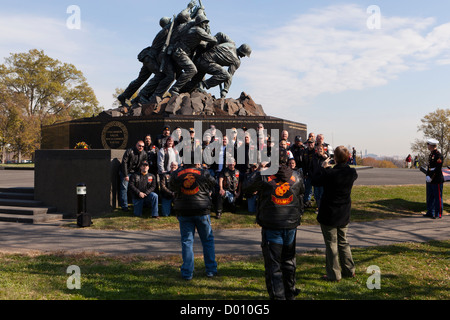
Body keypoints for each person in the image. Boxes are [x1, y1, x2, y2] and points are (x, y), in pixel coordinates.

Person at [243, 148, 305, 300]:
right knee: (289, 261)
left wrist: (259, 170)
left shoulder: (264, 175)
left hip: (272, 224)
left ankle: (279, 296)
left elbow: (246, 187)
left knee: (274, 265)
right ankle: (290, 292)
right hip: (290, 224)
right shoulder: (296, 176)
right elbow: (301, 193)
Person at [312, 146, 357, 282]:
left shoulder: (330, 173)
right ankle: (349, 270)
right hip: (343, 212)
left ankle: (334, 274)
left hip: (329, 212)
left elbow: (314, 180)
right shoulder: (352, 173)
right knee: (343, 241)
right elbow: (346, 170)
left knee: (331, 243)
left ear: (335, 158)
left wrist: (323, 167)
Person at [169, 161, 218, 280]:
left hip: (184, 211)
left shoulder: (177, 173)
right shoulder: (203, 172)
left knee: (187, 242)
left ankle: (187, 273)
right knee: (207, 241)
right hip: (202, 210)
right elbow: (214, 183)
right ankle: (210, 270)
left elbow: (171, 186)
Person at [167, 14, 217, 97]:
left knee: (187, 72)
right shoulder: (198, 30)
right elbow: (213, 40)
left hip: (181, 52)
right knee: (192, 70)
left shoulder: (194, 29)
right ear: (200, 23)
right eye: (204, 23)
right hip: (180, 52)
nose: (205, 25)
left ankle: (183, 89)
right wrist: (208, 33)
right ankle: (174, 89)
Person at [119, 141, 148, 211]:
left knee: (136, 188)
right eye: (139, 145)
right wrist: (126, 175)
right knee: (124, 188)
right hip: (126, 172)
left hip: (136, 173)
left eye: (142, 146)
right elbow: (124, 163)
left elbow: (144, 164)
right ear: (136, 145)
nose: (141, 147)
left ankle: (137, 204)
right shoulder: (129, 151)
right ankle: (124, 206)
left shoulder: (144, 153)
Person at [424, 139, 444, 219]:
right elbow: (430, 167)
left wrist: (431, 177)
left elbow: (438, 168)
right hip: (430, 178)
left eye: (428, 144)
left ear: (432, 145)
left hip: (436, 179)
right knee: (430, 196)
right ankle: (430, 212)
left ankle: (438, 213)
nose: (427, 146)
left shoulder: (438, 155)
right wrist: (427, 175)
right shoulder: (431, 154)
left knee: (437, 197)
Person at [312, 144, 328, 212]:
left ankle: (322, 207)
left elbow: (329, 168)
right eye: (318, 149)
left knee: (322, 194)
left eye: (321, 149)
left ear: (323, 150)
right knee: (316, 195)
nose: (319, 151)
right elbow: (311, 167)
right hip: (316, 178)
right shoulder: (314, 158)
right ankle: (318, 207)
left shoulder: (325, 158)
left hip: (322, 179)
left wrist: (325, 158)